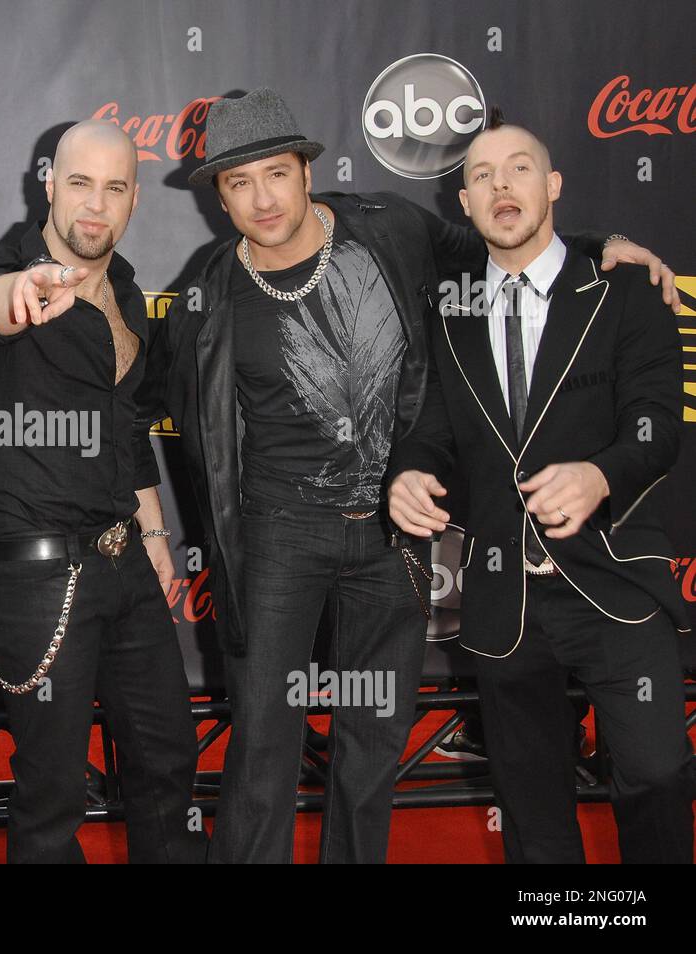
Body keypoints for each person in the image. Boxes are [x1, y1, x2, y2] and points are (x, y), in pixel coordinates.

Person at [152, 87, 680, 864]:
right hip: (276, 540)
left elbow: (501, 243)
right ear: (220, 197)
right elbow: (170, 417)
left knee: (371, 749)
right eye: (238, 182)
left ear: (306, 172)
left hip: (388, 539)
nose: (262, 198)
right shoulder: (208, 298)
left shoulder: (389, 231)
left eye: (275, 173)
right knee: (262, 744)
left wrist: (604, 244)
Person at [387, 119, 693, 863]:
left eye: (519, 169)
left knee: (655, 771)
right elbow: (432, 431)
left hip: (613, 580)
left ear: (551, 186)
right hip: (502, 598)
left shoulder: (626, 290)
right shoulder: (447, 313)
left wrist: (601, 476)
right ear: (464, 202)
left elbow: (658, 424)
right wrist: (408, 474)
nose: (502, 187)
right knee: (532, 810)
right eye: (484, 176)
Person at [0, 120, 205, 864]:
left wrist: (157, 537)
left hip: (124, 564)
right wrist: (20, 292)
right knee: (53, 793)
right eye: (80, 183)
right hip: (35, 574)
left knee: (167, 759)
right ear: (49, 184)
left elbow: (127, 433)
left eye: (115, 188)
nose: (95, 204)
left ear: (132, 203)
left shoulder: (127, 288)